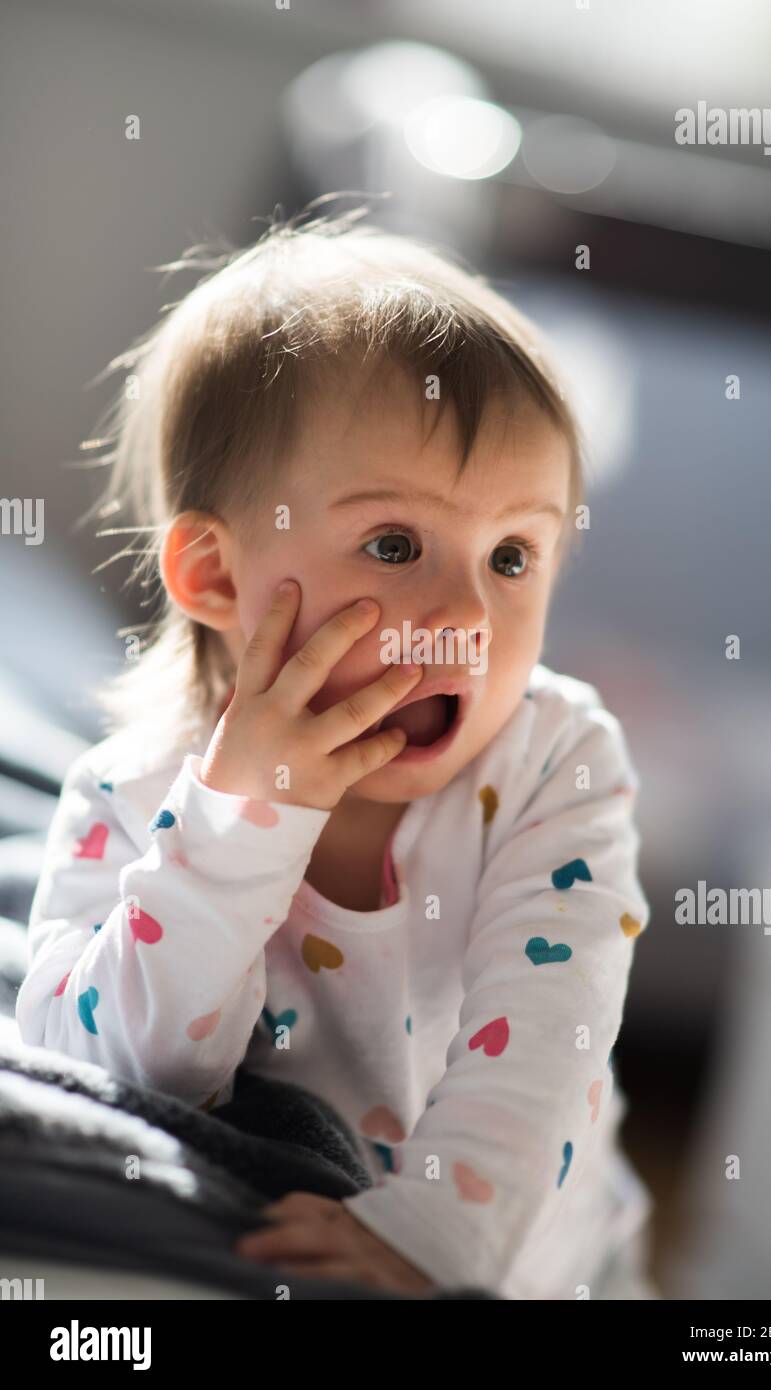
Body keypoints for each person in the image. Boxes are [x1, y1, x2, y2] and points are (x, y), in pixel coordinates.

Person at [16, 203, 656, 1300]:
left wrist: (435, 1231)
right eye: (396, 543)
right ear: (216, 576)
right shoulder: (140, 788)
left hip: (548, 1256)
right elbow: (118, 1072)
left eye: (513, 554)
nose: (465, 611)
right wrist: (242, 814)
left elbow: (552, 1033)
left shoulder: (558, 761)